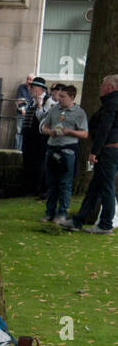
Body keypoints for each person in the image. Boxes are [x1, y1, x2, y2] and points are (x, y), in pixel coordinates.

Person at [66, 74, 118, 235]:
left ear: (111, 87)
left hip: (108, 150)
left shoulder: (112, 103)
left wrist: (95, 151)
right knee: (95, 187)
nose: (100, 87)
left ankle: (105, 224)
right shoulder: (111, 102)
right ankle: (78, 220)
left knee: (106, 187)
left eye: (103, 84)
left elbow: (105, 128)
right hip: (111, 149)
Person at [39, 84, 87, 225]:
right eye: (59, 96)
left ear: (72, 97)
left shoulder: (79, 113)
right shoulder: (54, 110)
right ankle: (49, 212)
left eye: (63, 96)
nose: (59, 99)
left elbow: (84, 133)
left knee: (65, 183)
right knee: (51, 182)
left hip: (68, 149)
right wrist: (50, 132)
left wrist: (70, 132)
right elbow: (44, 127)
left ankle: (62, 213)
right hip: (52, 147)